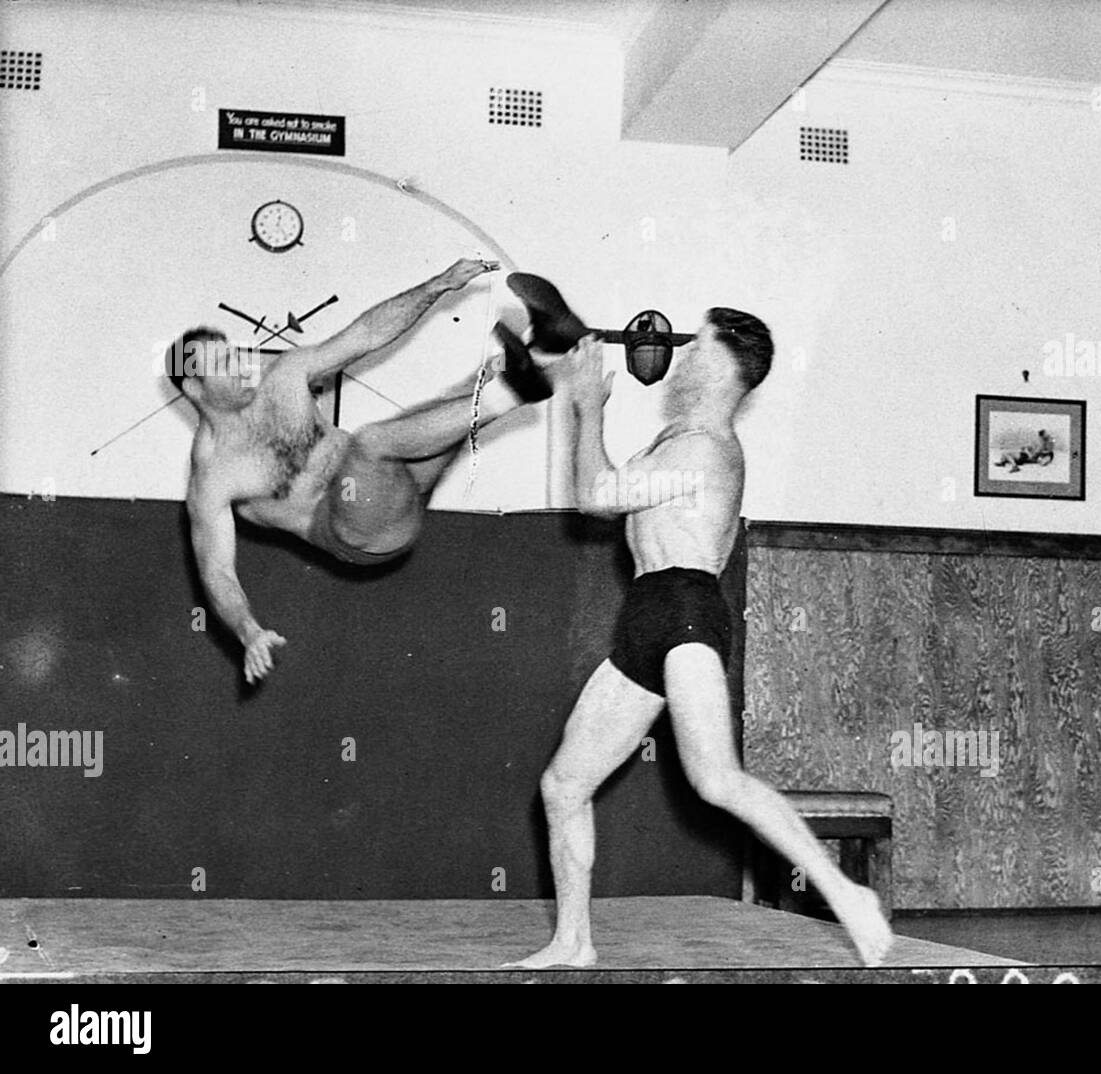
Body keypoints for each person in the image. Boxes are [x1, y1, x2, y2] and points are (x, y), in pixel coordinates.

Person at [510, 311, 893, 968]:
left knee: (716, 779)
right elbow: (612, 490)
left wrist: (587, 405)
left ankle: (845, 893)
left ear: (720, 365)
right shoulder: (677, 440)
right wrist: (581, 393)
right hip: (647, 612)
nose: (683, 358)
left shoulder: (705, 449)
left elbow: (598, 495)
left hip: (685, 610)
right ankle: (573, 941)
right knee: (564, 784)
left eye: (698, 349)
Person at [170, 258, 552, 683]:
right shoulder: (213, 476)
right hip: (359, 534)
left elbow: (365, 334)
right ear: (194, 388)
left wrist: (439, 284)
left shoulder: (283, 375)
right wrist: (249, 631)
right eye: (222, 365)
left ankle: (547, 344)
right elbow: (217, 572)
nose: (242, 366)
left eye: (235, 354)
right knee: (371, 442)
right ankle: (513, 394)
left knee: (459, 397)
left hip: (394, 486)